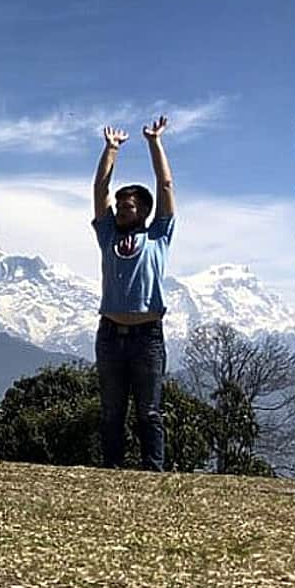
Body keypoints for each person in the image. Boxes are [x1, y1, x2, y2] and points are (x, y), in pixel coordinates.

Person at [91, 116, 175, 471]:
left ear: (144, 210)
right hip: (110, 334)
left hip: (148, 336)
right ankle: (111, 469)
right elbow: (99, 191)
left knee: (149, 411)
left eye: (130, 206)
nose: (123, 210)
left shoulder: (158, 235)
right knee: (112, 411)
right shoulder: (108, 235)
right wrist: (111, 150)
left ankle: (153, 472)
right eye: (120, 206)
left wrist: (154, 143)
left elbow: (166, 185)